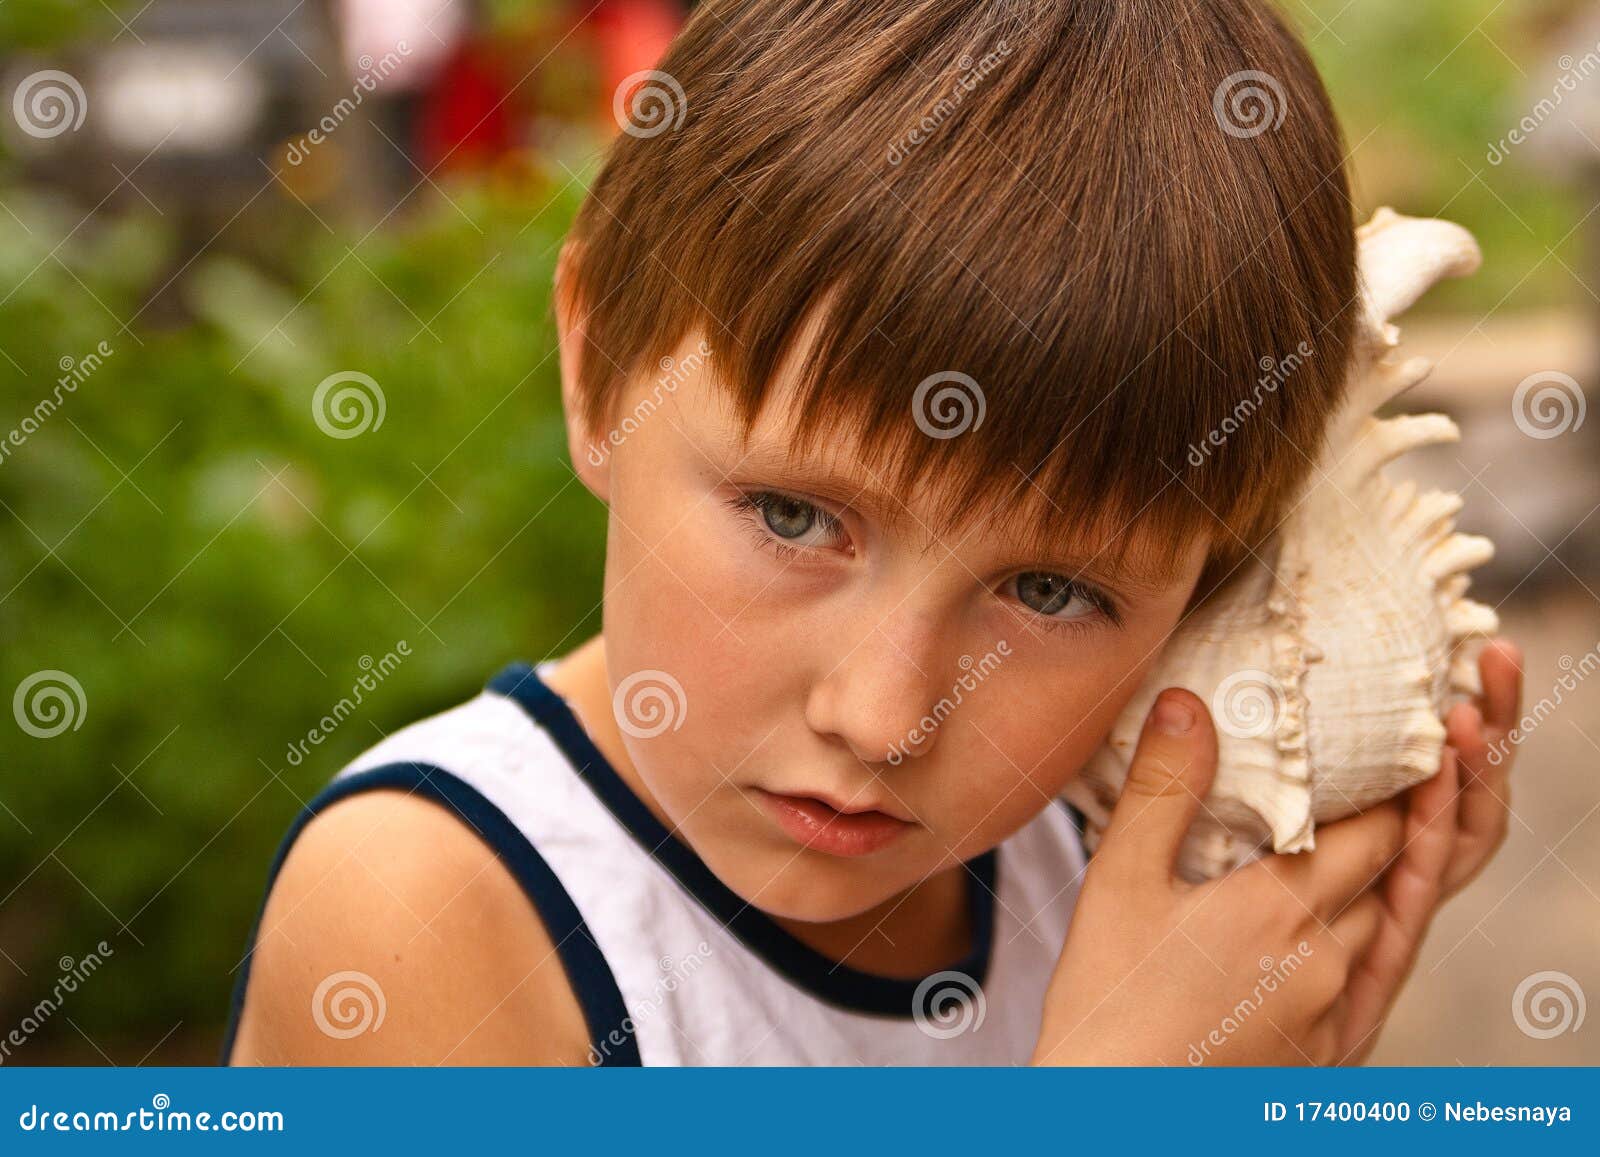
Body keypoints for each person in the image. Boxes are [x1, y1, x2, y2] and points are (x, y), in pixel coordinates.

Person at [223, 0, 1525, 1065]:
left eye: (1054, 591)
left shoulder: (1113, 883)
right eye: (795, 516)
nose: (885, 713)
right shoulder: (436, 917)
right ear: (600, 366)